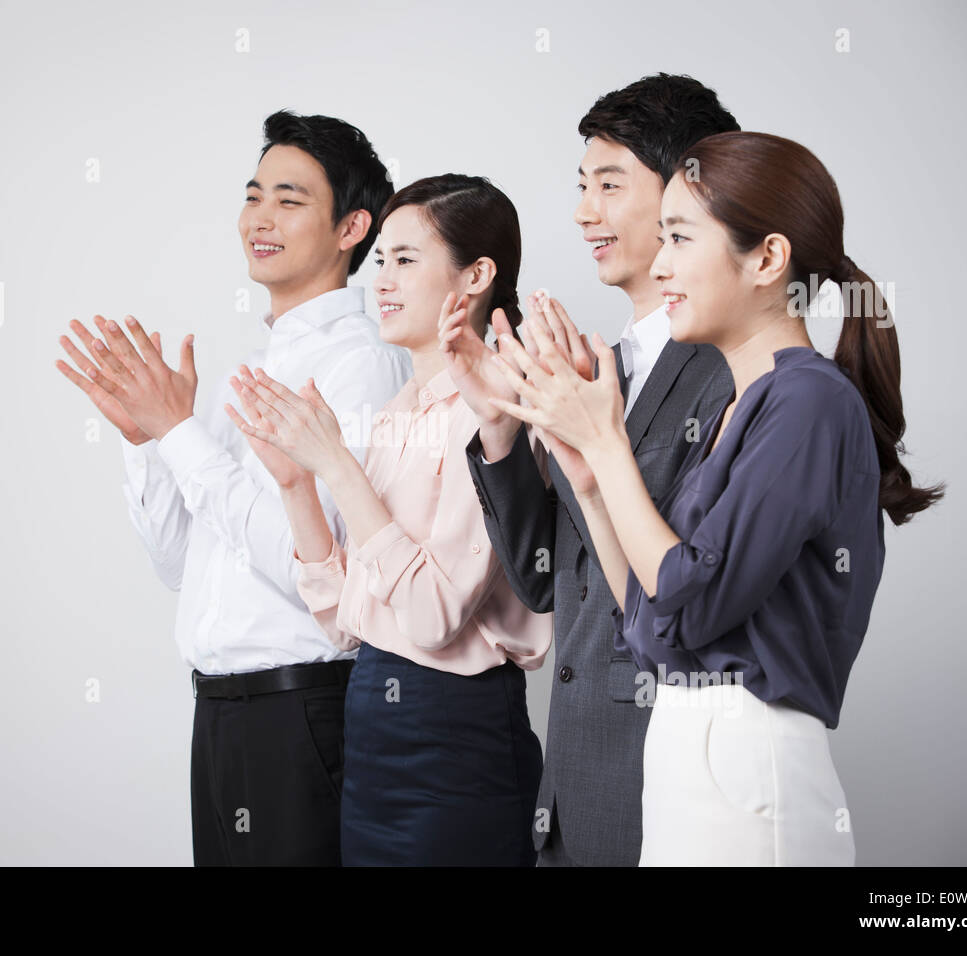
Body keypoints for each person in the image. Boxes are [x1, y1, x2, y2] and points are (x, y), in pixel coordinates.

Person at [487, 130, 943, 865]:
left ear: (766, 259)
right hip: (688, 756)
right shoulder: (740, 405)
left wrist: (608, 443)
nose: (660, 264)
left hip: (744, 760)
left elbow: (691, 603)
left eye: (679, 237)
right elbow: (645, 619)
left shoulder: (807, 401)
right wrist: (588, 476)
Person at [53, 110, 411, 866]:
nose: (261, 218)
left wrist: (179, 432)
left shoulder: (361, 365)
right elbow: (181, 568)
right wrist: (149, 442)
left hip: (303, 712)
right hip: (220, 715)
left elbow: (320, 575)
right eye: (253, 195)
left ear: (353, 228)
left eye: (289, 198)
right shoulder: (246, 370)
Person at [444, 73, 738, 865]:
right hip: (568, 785)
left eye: (610, 185)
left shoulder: (730, 374)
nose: (584, 213)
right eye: (581, 186)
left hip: (659, 774)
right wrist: (501, 427)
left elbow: (690, 587)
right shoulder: (600, 367)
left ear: (689, 194)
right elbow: (547, 581)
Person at [226, 175, 551, 866]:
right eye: (381, 261)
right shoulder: (403, 406)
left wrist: (338, 466)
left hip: (458, 737)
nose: (383, 281)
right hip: (372, 723)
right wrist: (297, 485)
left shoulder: (497, 408)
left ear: (476, 276)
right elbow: (344, 623)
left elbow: (435, 617)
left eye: (406, 259)